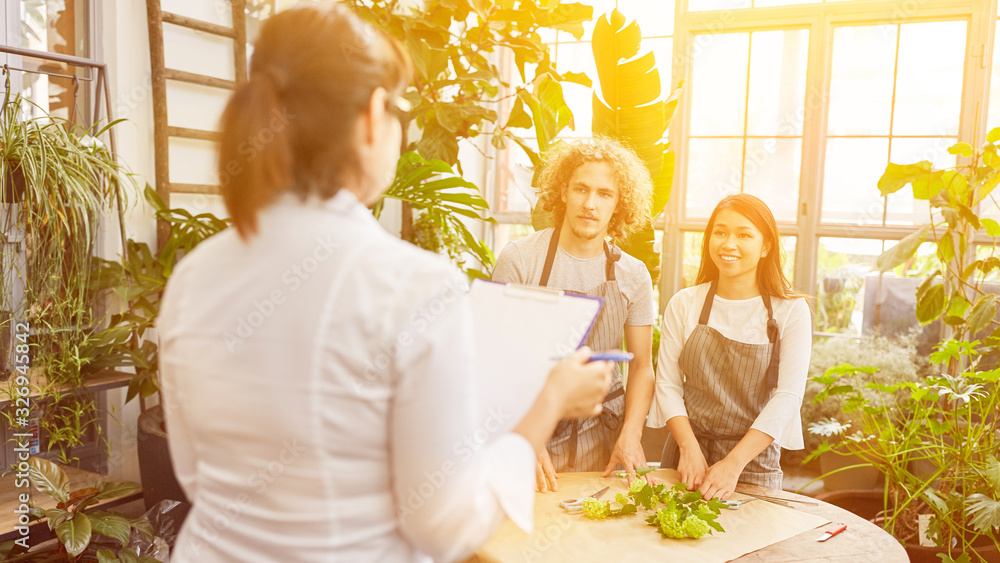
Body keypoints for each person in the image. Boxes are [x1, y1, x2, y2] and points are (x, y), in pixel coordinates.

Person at [156, 5, 613, 562]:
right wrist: (551, 401)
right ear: (375, 115)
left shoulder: (193, 277)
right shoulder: (410, 286)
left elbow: (199, 475)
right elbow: (446, 525)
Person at [492, 137, 657, 492]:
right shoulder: (521, 260)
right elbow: (498, 361)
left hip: (603, 434)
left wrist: (631, 433)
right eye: (581, 189)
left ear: (619, 203)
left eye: (604, 194)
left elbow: (642, 365)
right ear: (564, 190)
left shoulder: (632, 275)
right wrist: (527, 433)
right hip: (531, 421)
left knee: (594, 536)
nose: (590, 204)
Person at [648, 193, 811, 500]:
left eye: (744, 234)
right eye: (720, 232)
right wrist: (688, 448)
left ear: (766, 246)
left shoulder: (790, 311)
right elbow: (668, 384)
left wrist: (733, 464)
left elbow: (788, 396)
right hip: (686, 458)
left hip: (751, 464)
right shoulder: (685, 303)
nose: (728, 244)